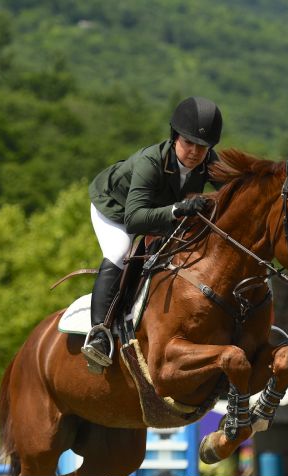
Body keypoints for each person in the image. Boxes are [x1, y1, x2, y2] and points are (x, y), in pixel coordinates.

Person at [81, 96, 224, 368]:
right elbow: (135, 219)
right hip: (116, 209)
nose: (195, 152)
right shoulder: (151, 162)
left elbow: (233, 193)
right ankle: (98, 334)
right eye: (189, 143)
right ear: (175, 137)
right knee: (120, 253)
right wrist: (177, 210)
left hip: (157, 211)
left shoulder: (208, 162)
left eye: (203, 146)